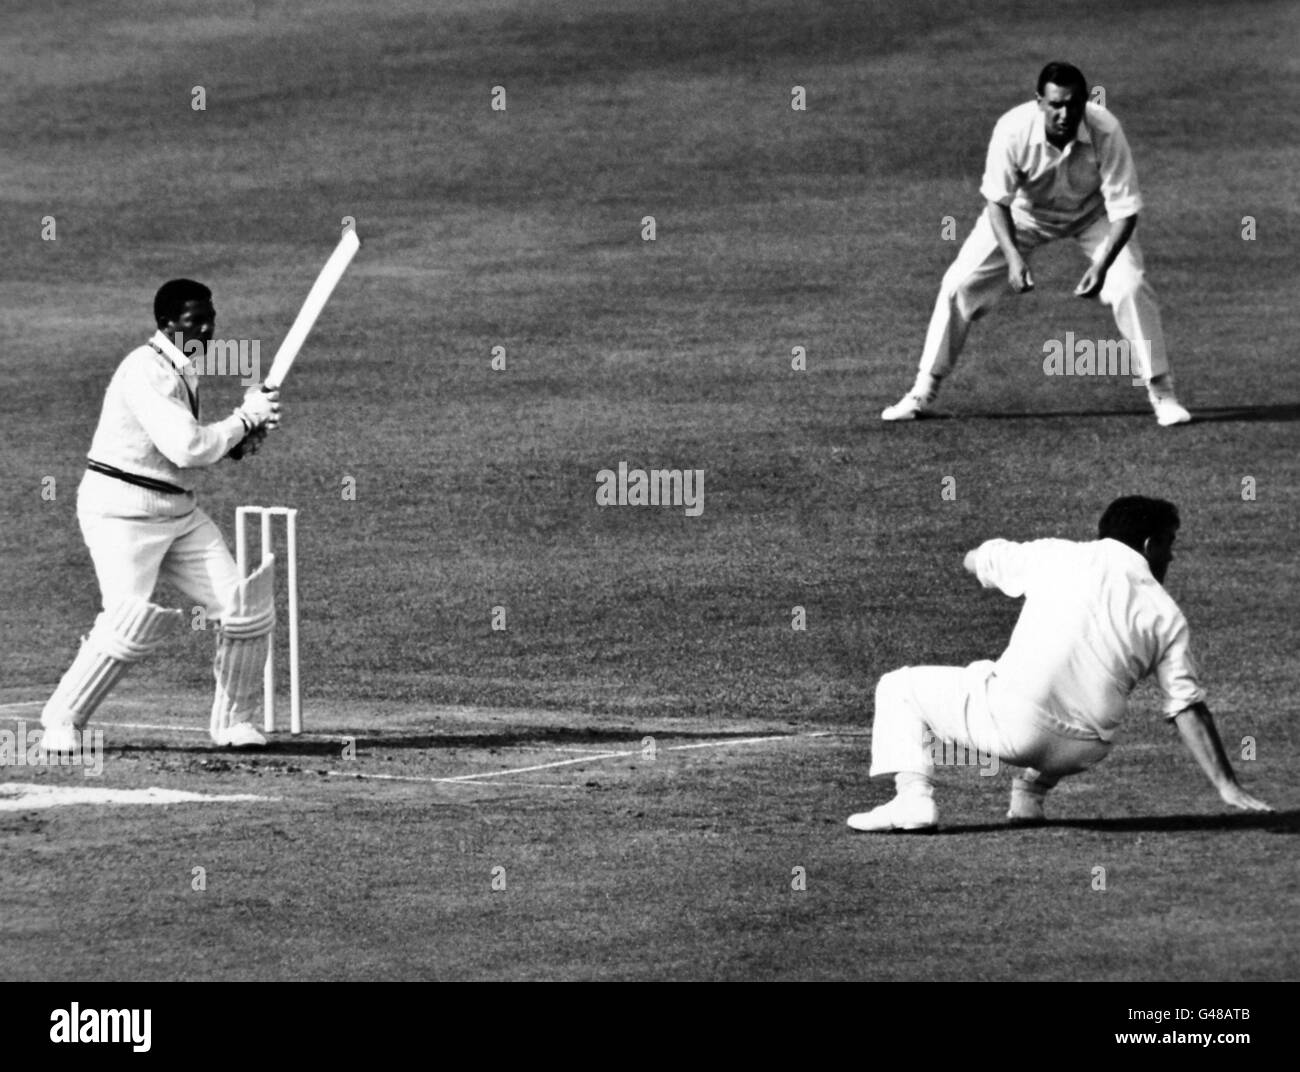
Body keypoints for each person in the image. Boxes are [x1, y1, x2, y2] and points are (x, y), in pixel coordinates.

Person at [848, 496, 1271, 832]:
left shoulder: (1057, 555)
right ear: (1149, 545)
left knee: (898, 686)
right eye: (1170, 544)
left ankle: (913, 799)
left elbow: (975, 559)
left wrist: (979, 558)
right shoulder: (1166, 614)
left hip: (1013, 728)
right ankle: (1030, 796)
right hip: (1083, 750)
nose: (1172, 557)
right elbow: (1187, 708)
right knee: (1061, 689)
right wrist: (1227, 786)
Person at [39, 279, 282, 753]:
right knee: (127, 620)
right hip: (121, 511)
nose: (207, 329)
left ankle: (234, 723)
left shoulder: (180, 365)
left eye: (210, 319)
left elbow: (179, 448)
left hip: (178, 510)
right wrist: (244, 420)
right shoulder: (144, 369)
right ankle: (61, 722)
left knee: (244, 610)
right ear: (168, 323)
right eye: (195, 321)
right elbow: (189, 447)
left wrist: (236, 444)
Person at [881, 61, 1192, 427]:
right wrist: (1013, 258)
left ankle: (1162, 392)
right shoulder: (1011, 129)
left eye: (1073, 104)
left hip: (1094, 216)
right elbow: (997, 203)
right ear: (1039, 102)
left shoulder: (1106, 129)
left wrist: (1101, 266)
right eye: (1055, 104)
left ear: (1085, 101)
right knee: (958, 284)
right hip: (1025, 217)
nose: (1064, 114)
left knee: (1130, 286)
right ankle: (922, 391)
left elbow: (1125, 211)